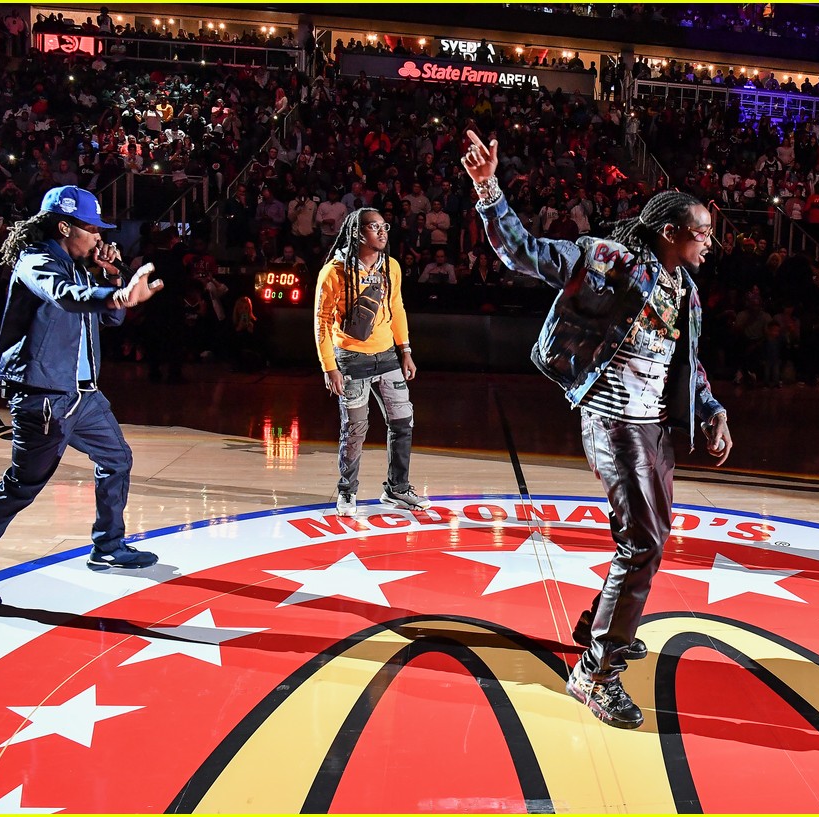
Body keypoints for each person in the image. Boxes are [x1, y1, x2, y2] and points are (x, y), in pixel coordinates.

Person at [462, 131, 732, 729]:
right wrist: (488, 189)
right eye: (702, 231)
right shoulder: (610, 259)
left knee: (646, 539)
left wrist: (711, 409)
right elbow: (524, 251)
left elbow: (686, 364)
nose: (710, 242)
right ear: (669, 231)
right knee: (643, 543)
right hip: (611, 421)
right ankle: (596, 671)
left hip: (653, 427)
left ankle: (598, 626)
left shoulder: (684, 290)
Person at [0, 186, 164, 611]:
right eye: (91, 228)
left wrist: (110, 276)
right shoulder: (38, 261)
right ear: (64, 225)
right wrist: (116, 293)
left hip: (84, 396)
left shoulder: (80, 265)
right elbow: (65, 297)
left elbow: (112, 316)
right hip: (45, 397)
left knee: (117, 459)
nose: (98, 236)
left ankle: (108, 545)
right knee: (22, 486)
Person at [314, 208, 431, 517]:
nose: (382, 232)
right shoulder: (335, 272)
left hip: (388, 357)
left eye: (384, 226)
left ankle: (397, 488)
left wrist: (405, 350)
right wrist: (329, 366)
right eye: (373, 227)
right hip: (351, 361)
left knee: (403, 422)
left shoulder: (391, 267)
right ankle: (347, 491)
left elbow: (397, 307)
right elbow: (322, 321)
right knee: (355, 429)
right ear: (357, 233)